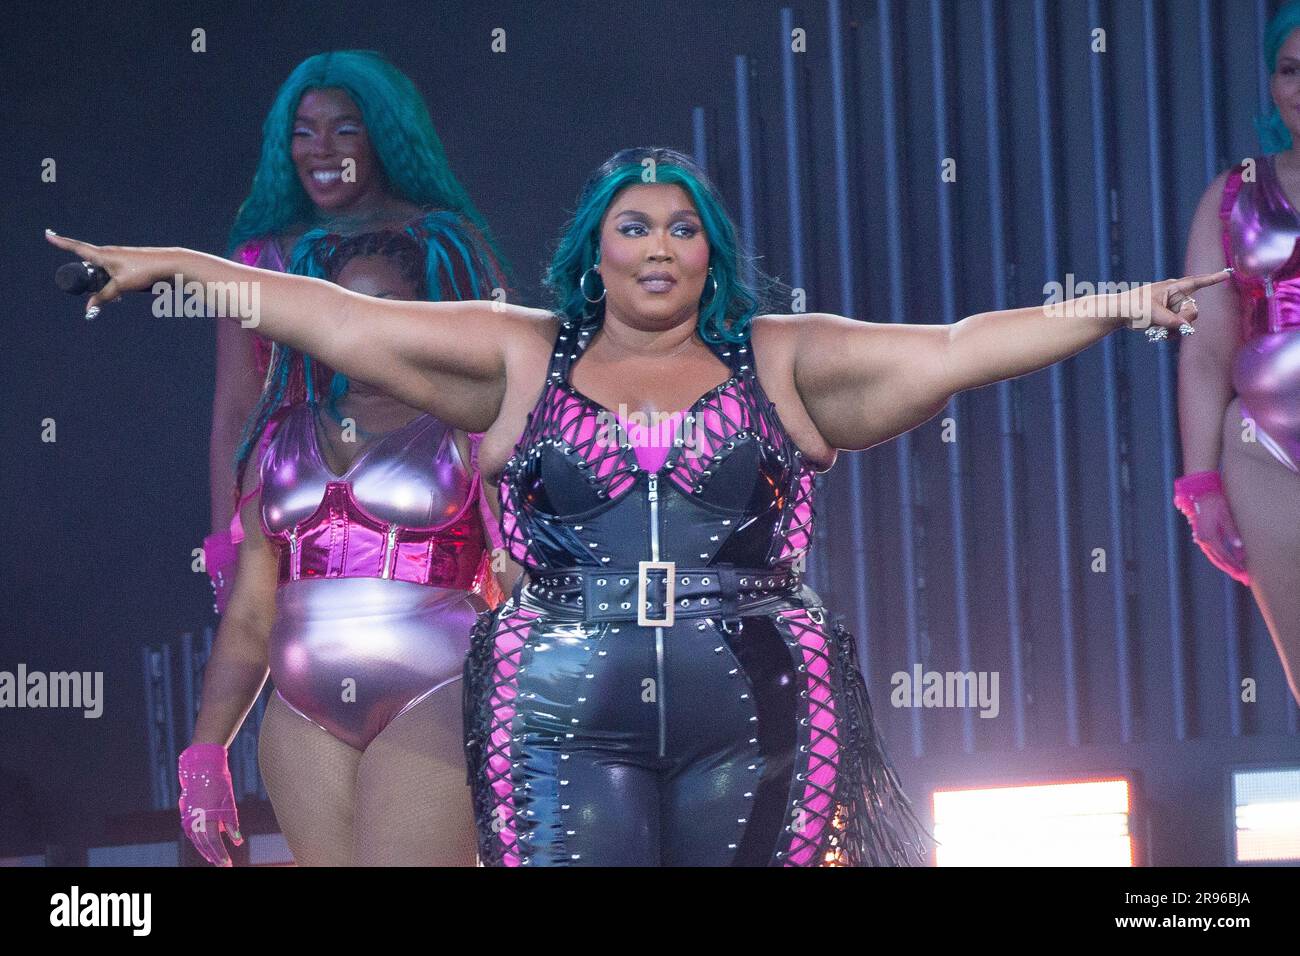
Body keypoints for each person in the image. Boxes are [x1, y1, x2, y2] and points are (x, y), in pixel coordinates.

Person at [47, 147, 1223, 866]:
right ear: (591, 253)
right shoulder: (520, 355)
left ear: (710, 252)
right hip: (562, 705)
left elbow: (966, 345)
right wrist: (167, 265)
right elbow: (331, 317)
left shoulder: (783, 357)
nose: (659, 244)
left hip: (751, 699)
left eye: (682, 225)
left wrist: (1122, 305)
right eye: (633, 224)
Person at [179, 227, 511, 866]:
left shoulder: (470, 430)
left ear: (425, 316)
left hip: (438, 693)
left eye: (383, 305)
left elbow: (520, 581)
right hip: (302, 716)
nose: (358, 327)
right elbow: (251, 618)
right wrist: (204, 751)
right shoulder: (275, 439)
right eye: (340, 305)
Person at [206, 49, 511, 615]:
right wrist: (226, 541)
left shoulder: (444, 243)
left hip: (423, 504)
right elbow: (235, 409)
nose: (321, 149)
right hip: (290, 503)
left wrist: (500, 525)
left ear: (384, 139)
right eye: (303, 132)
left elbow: (499, 379)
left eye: (345, 129)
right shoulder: (258, 261)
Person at [1176, 2, 1300, 705]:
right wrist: (1201, 485)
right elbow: (1205, 349)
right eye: (1290, 69)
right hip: (1267, 456)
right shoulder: (1233, 195)